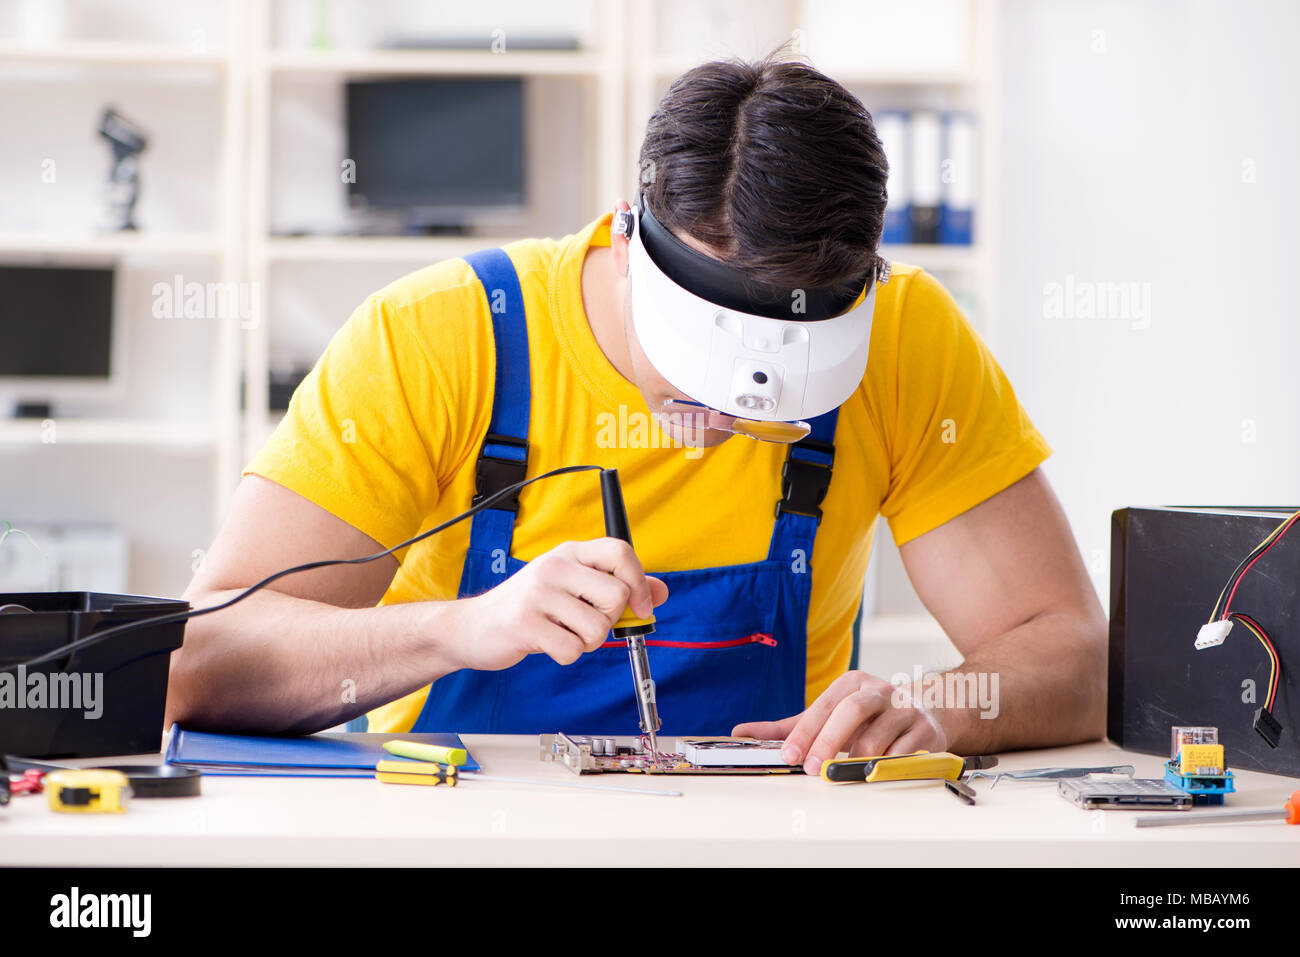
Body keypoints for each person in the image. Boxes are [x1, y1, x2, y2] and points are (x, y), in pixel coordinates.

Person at [165, 56, 1106, 775]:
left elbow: (1074, 653)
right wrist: (460, 628)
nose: (728, 429)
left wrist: (939, 706)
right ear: (627, 238)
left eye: (778, 406)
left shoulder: (906, 339)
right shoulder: (438, 340)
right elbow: (196, 659)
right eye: (695, 389)